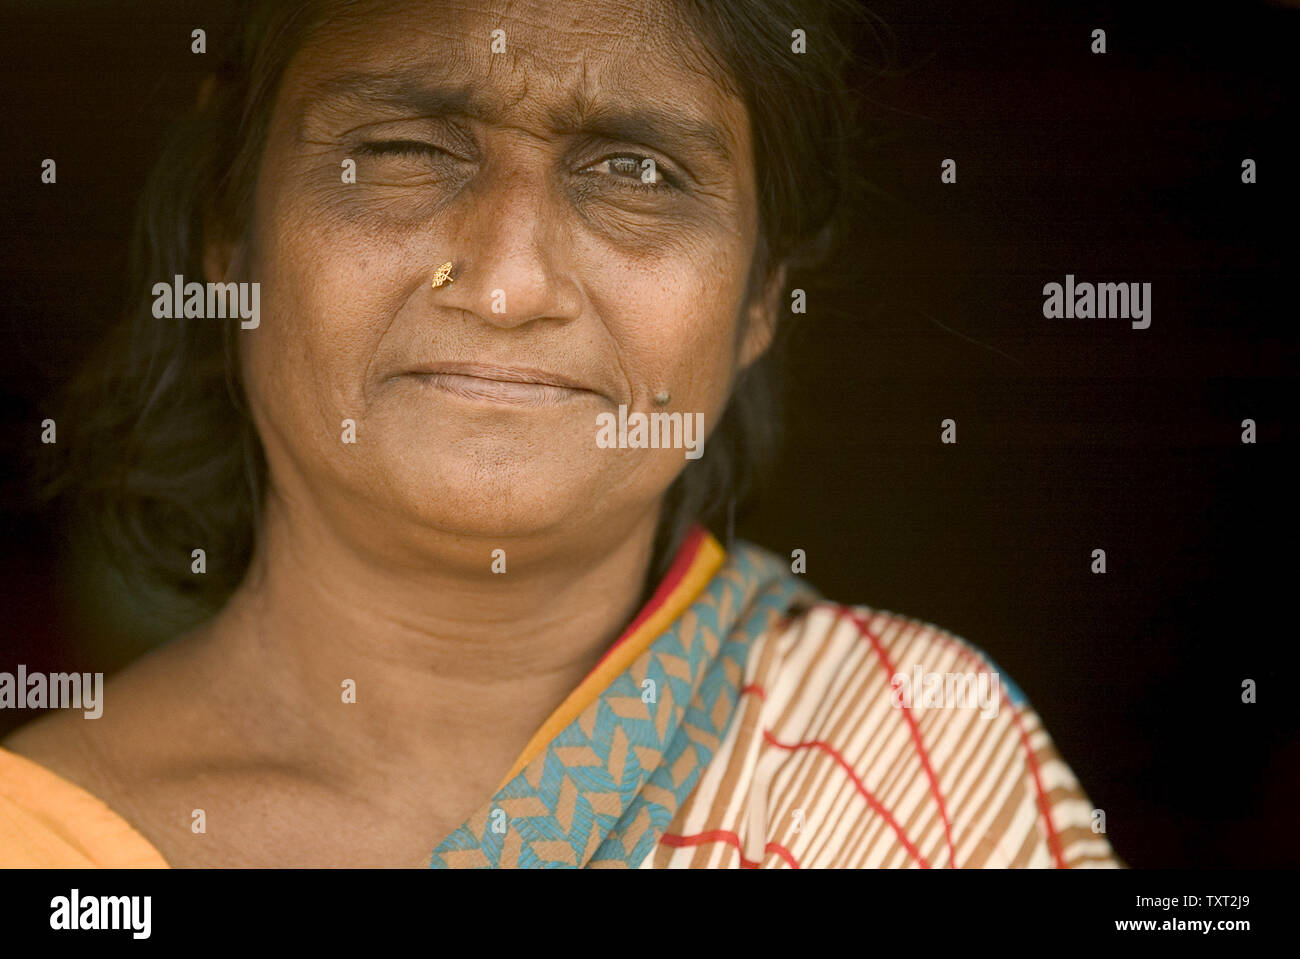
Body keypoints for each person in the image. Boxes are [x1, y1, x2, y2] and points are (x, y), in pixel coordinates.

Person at [0, 0, 1118, 868]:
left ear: (761, 297)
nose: (507, 283)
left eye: (636, 170)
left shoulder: (912, 766)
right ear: (227, 226)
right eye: (402, 150)